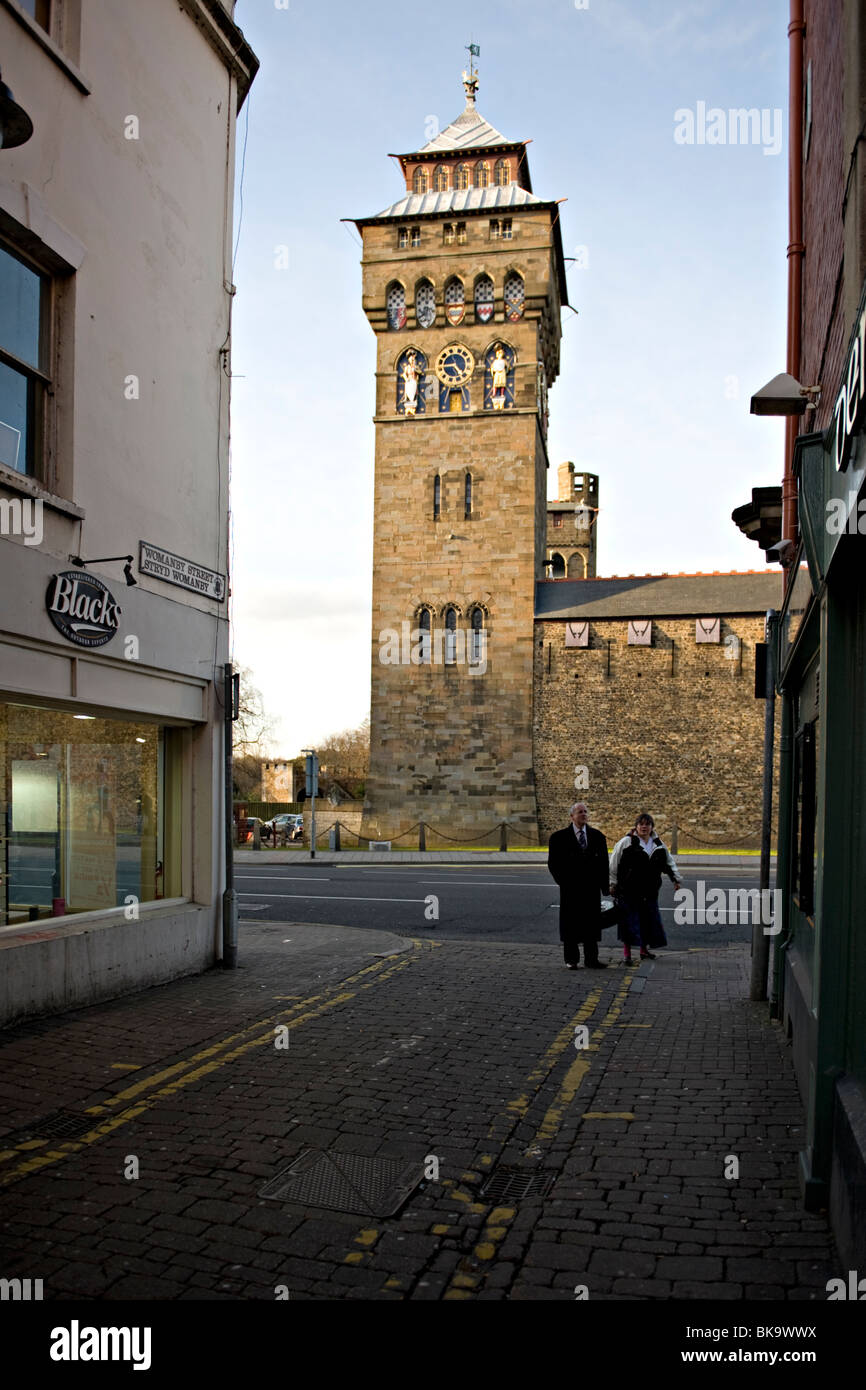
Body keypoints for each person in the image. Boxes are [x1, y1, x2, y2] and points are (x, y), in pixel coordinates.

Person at [609, 813, 683, 965]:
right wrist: (612, 883)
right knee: (628, 923)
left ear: (652, 827)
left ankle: (643, 950)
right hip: (629, 890)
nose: (644, 827)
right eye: (641, 824)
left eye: (647, 824)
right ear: (636, 826)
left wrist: (675, 879)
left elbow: (668, 862)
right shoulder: (626, 842)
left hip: (649, 891)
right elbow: (614, 863)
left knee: (647, 921)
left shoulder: (658, 844)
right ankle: (627, 955)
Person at [547, 802, 610, 969]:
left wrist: (605, 886)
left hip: (591, 889)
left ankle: (591, 959)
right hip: (570, 889)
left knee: (591, 924)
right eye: (580, 812)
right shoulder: (558, 838)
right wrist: (564, 882)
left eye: (585, 812)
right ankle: (571, 959)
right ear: (572, 816)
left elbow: (604, 863)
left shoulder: (597, 836)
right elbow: (553, 864)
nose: (583, 814)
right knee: (570, 925)